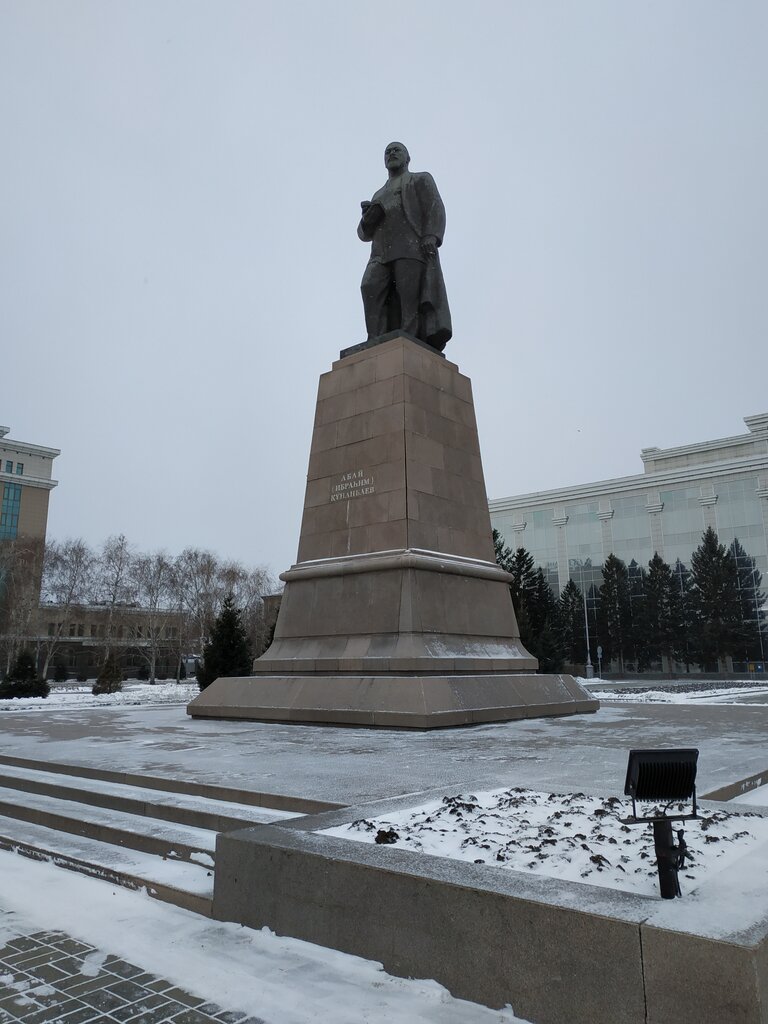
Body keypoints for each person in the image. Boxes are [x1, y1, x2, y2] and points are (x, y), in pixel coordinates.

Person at [358, 142, 452, 351]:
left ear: (407, 158)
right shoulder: (378, 194)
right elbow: (364, 234)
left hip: (409, 246)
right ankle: (374, 338)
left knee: (408, 298)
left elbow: (436, 207)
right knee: (369, 286)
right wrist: (368, 219)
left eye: (396, 150)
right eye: (387, 151)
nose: (391, 153)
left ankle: (409, 338)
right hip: (380, 253)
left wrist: (431, 235)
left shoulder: (420, 179)